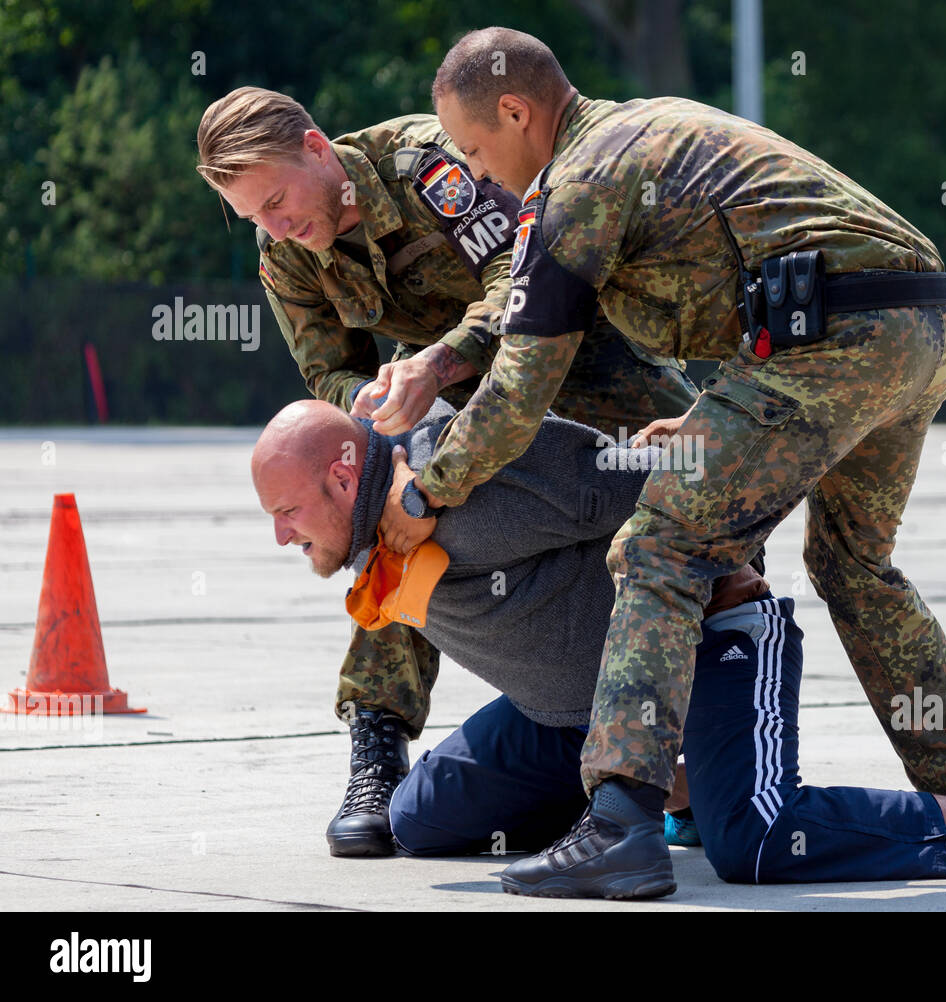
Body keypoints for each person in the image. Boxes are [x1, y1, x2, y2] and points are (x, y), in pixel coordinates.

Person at [378, 26, 946, 897]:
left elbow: (519, 390)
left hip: (837, 346)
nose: (482, 173)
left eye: (475, 148)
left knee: (658, 548)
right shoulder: (655, 124)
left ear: (516, 109)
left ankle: (619, 823)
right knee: (855, 567)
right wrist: (707, 415)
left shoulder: (576, 184)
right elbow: (774, 261)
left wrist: (426, 490)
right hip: (922, 327)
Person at [250, 398, 946, 895]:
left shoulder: (469, 479)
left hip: (711, 645)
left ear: (344, 474)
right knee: (419, 821)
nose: (282, 538)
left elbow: (652, 479)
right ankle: (671, 793)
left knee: (755, 844)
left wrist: (722, 565)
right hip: (571, 718)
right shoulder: (382, 534)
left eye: (285, 511)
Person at [195, 86, 698, 856]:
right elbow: (329, 380)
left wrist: (437, 361)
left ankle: (695, 760)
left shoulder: (430, 167)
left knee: (684, 534)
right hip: (449, 411)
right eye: (253, 216)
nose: (275, 226)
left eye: (277, 199)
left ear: (318, 149)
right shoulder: (285, 255)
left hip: (588, 374)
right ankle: (377, 744)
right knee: (387, 536)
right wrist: (368, 410)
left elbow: (524, 278)